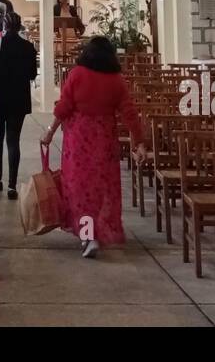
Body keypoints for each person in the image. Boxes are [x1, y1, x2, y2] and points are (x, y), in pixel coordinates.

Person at [41, 36, 147, 258]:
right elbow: (129, 113)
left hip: (78, 141)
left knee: (79, 190)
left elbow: (64, 107)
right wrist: (139, 142)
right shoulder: (116, 81)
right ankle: (93, 233)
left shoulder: (77, 75)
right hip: (104, 141)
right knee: (100, 190)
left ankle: (88, 236)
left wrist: (50, 132)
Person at [0, 10, 38, 198]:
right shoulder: (28, 47)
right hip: (19, 99)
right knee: (13, 141)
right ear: (19, 26)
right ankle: (12, 186)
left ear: (4, 25)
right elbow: (32, 74)